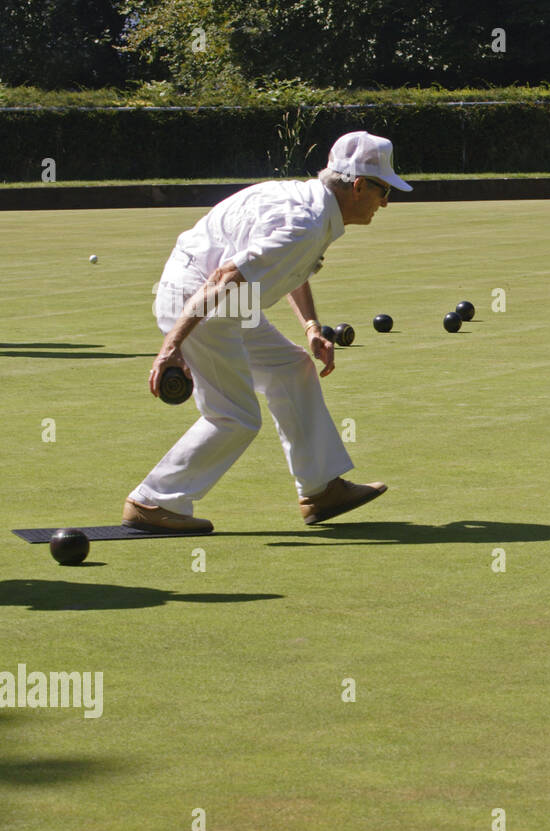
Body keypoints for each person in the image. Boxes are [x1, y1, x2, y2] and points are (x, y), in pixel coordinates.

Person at [123, 131, 412, 533]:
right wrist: (172, 346)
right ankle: (152, 501)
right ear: (359, 185)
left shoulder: (308, 204)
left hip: (220, 298)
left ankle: (320, 489)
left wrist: (310, 326)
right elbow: (225, 277)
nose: (385, 202)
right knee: (235, 415)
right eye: (384, 191)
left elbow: (286, 268)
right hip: (202, 300)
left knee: (292, 367)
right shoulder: (306, 223)